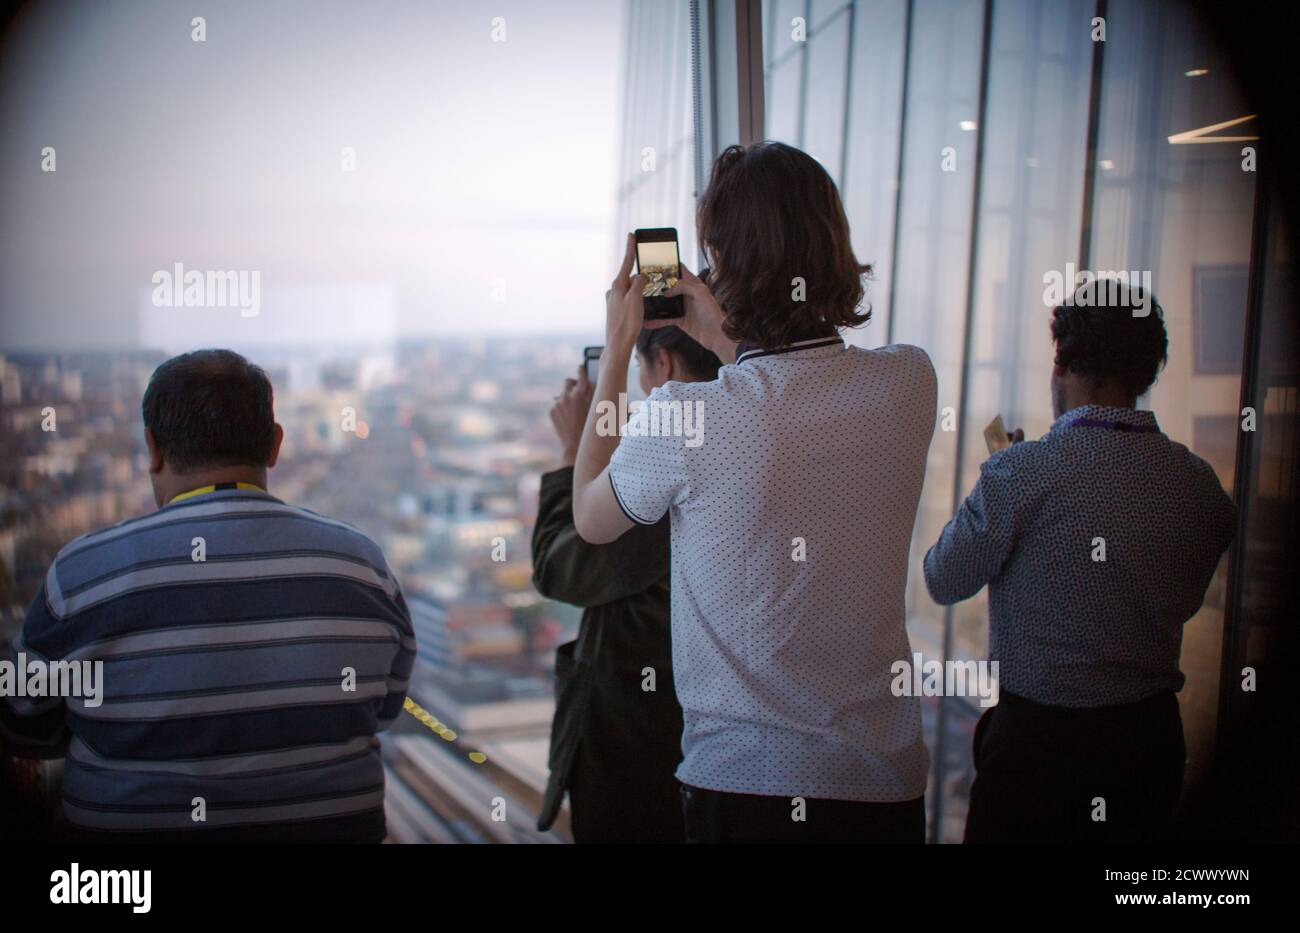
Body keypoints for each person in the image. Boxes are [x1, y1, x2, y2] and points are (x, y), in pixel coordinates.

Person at [571, 142, 936, 843]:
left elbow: (590, 515)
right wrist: (729, 330)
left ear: (726, 269)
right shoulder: (909, 383)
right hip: (884, 788)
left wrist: (617, 348)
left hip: (745, 790)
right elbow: (788, 396)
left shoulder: (688, 416)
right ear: (834, 243)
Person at [0, 349, 414, 843]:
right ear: (275, 446)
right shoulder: (365, 567)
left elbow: (23, 725)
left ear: (152, 448)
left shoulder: (81, 575)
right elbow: (384, 710)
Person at [923, 286, 1237, 844]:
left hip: (1037, 751)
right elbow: (1186, 591)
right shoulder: (1201, 488)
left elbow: (943, 577)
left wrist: (1001, 493)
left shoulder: (1021, 473)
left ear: (1060, 361)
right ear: (1145, 375)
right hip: (1147, 746)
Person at [532, 326, 721, 843]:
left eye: (637, 367)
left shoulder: (670, 460)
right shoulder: (746, 436)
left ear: (662, 363)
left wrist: (575, 450)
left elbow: (557, 568)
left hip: (635, 749)